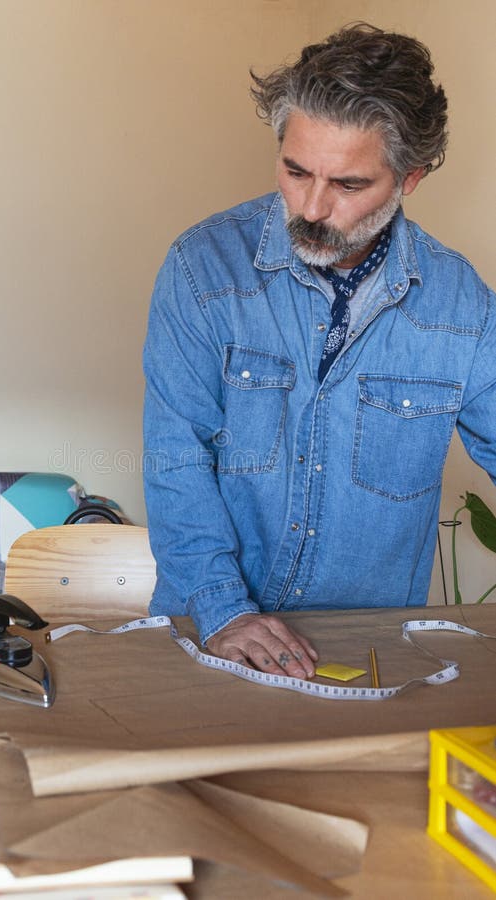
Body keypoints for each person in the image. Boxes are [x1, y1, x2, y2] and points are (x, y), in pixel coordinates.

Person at [142, 23, 496, 680]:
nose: (309, 206)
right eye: (295, 170)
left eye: (348, 185)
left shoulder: (462, 308)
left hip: (368, 655)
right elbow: (176, 456)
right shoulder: (201, 267)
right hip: (205, 637)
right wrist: (224, 610)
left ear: (408, 178)